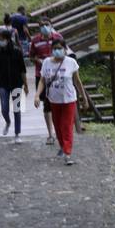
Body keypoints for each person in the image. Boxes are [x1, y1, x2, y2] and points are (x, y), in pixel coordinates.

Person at [35, 36, 82, 164]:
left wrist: (83, 96)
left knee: (66, 126)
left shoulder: (71, 62)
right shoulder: (46, 63)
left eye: (59, 48)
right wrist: (37, 95)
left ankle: (67, 153)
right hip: (53, 100)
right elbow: (42, 81)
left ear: (65, 50)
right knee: (58, 126)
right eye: (55, 48)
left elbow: (77, 81)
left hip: (69, 99)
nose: (57, 51)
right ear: (51, 50)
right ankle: (62, 146)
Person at [0, 26, 29, 138]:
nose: (0, 41)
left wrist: (26, 85)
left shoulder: (17, 52)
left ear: (7, 39)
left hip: (17, 83)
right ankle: (7, 122)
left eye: (1, 39)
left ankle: (17, 133)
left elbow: (23, 70)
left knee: (17, 109)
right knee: (4, 109)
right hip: (3, 84)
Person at [29, 19, 60, 143]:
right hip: (41, 75)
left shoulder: (58, 37)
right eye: (42, 25)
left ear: (51, 25)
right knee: (47, 104)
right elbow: (31, 56)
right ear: (39, 27)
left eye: (46, 25)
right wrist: (38, 61)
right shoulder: (35, 41)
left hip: (57, 75)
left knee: (57, 103)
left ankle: (58, 131)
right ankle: (50, 134)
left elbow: (65, 52)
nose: (44, 27)